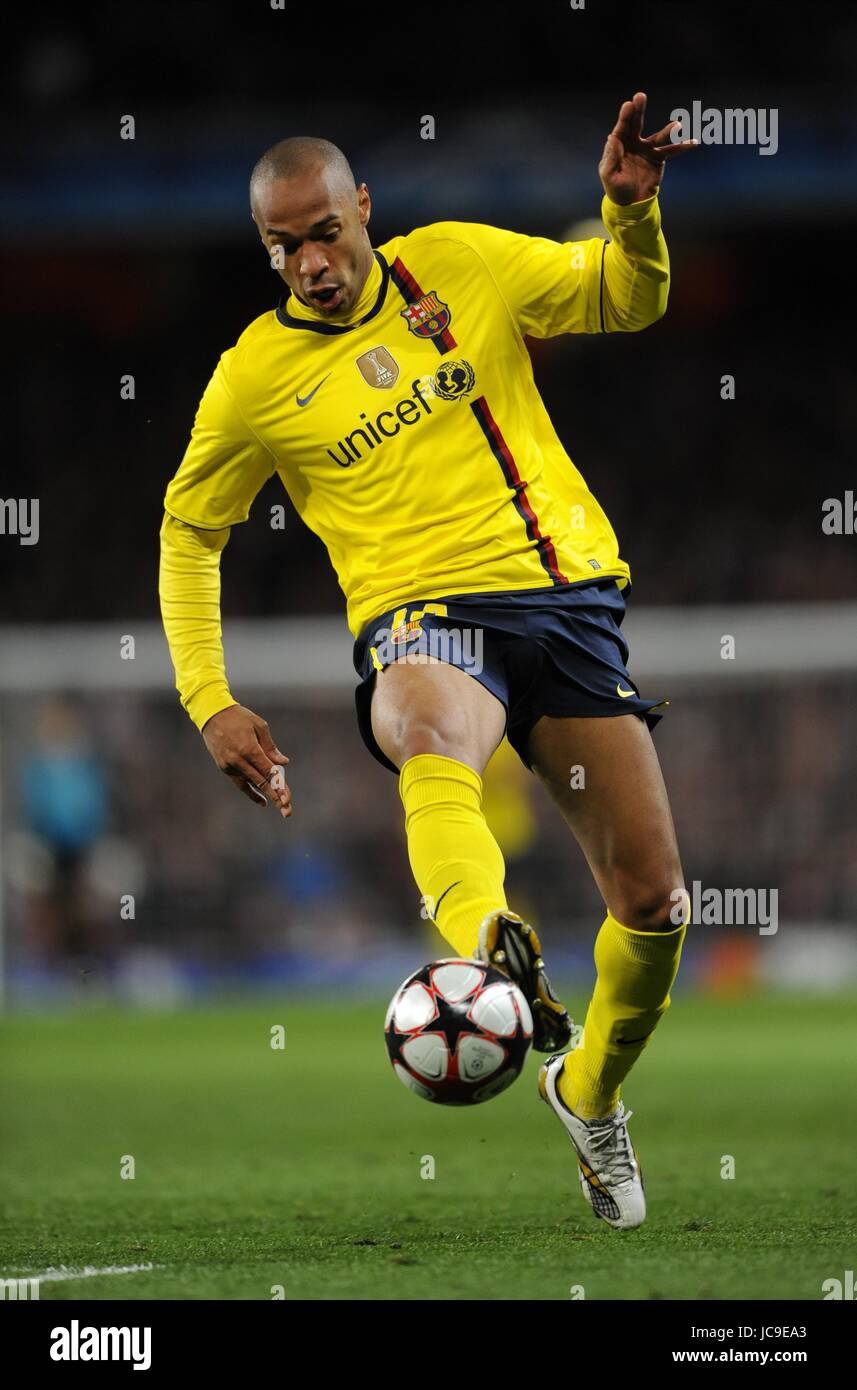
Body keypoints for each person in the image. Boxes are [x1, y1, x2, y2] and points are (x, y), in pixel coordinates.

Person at [159, 93, 697, 1229]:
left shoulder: (457, 263)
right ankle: (484, 947)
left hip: (564, 602)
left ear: (363, 208)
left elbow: (623, 298)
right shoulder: (252, 382)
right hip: (422, 613)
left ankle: (587, 1089)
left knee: (654, 904)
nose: (309, 263)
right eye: (281, 247)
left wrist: (628, 212)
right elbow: (187, 531)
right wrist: (207, 697)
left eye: (323, 233)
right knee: (424, 718)